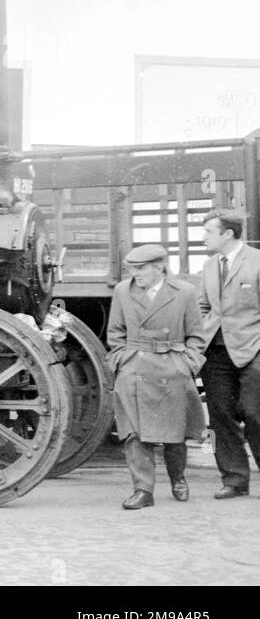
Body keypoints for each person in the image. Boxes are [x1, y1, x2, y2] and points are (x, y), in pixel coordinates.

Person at [106, 244, 207, 509]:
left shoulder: (184, 292)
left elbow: (197, 335)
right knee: (134, 433)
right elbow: (115, 333)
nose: (135, 274)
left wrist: (186, 364)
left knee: (175, 432)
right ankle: (143, 490)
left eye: (141, 268)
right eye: (132, 269)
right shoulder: (123, 291)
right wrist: (122, 361)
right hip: (134, 368)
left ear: (160, 267)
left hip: (172, 368)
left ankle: (178, 478)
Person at [197, 209, 260, 499]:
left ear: (228, 234)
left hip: (253, 348)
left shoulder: (257, 261)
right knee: (220, 415)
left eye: (209, 231)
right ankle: (234, 480)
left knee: (254, 412)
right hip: (217, 351)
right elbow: (203, 306)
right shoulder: (210, 266)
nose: (204, 237)